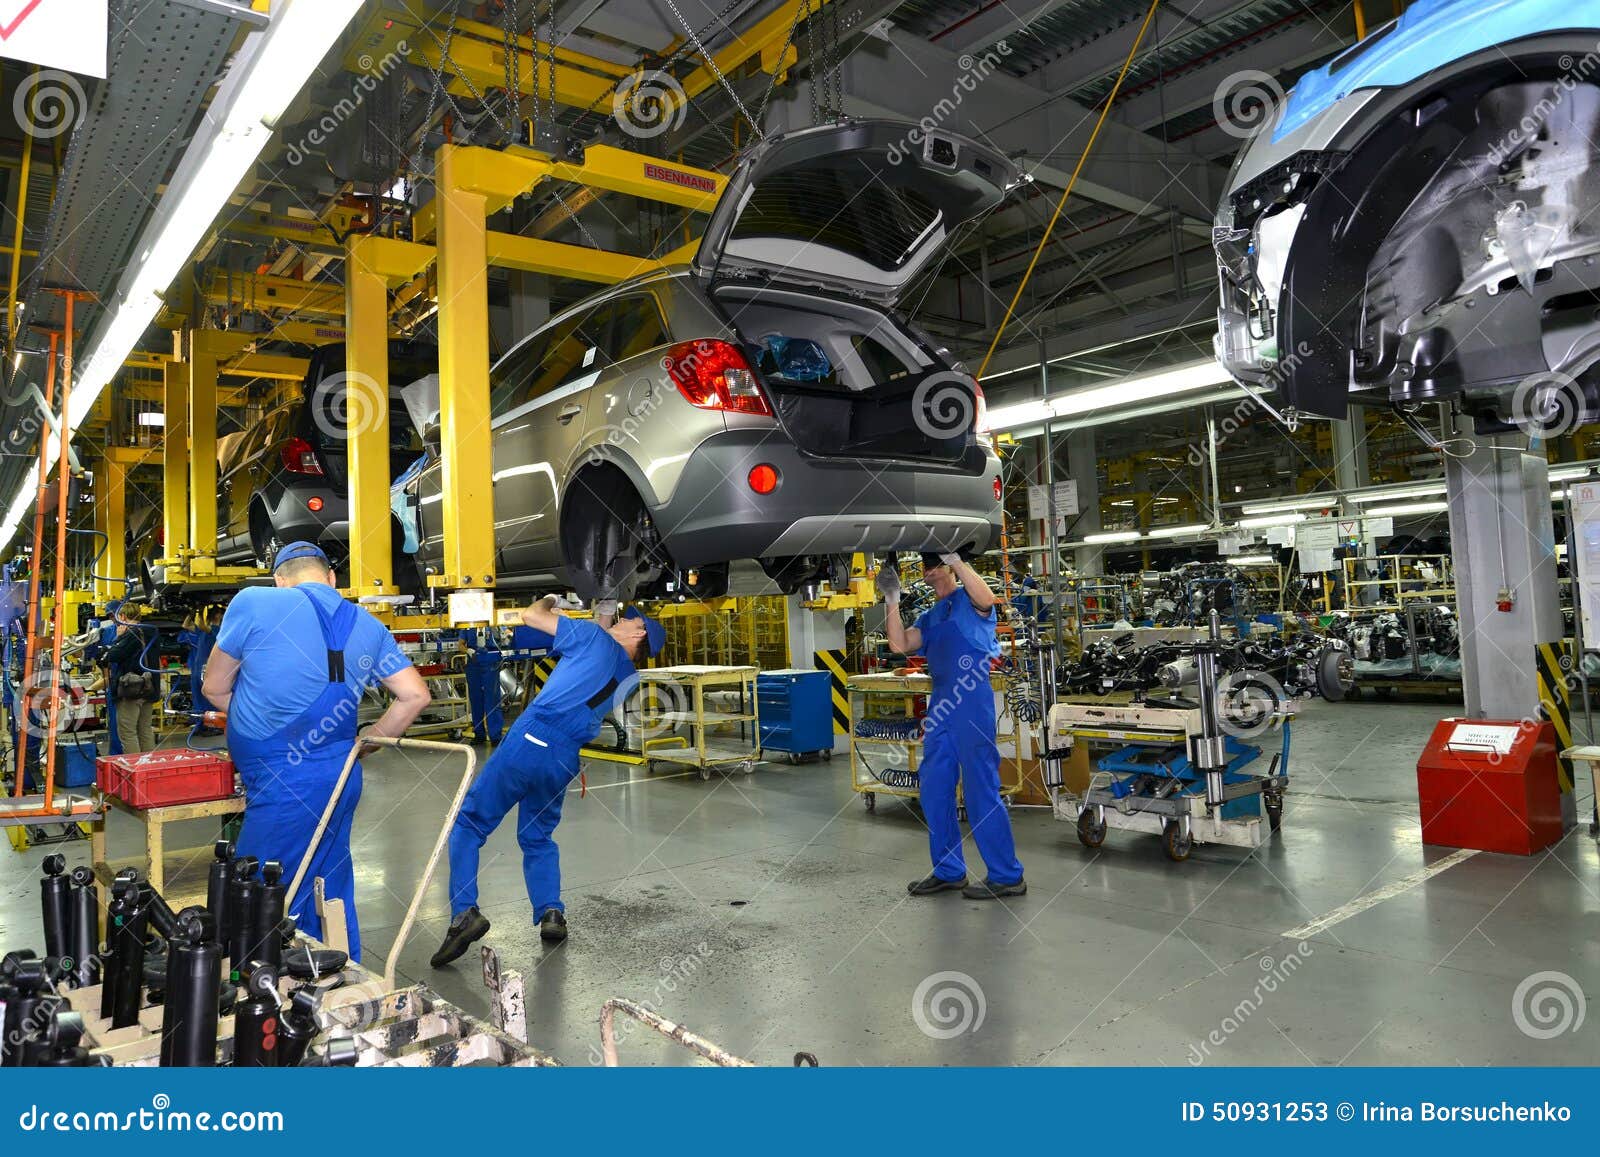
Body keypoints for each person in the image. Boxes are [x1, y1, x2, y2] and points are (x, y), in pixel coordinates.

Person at [201, 541, 432, 962]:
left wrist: (257, 721)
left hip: (281, 782)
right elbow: (415, 696)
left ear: (280, 580)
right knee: (328, 885)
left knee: (255, 895)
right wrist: (367, 743)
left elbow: (213, 687)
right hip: (342, 777)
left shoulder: (253, 602)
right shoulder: (367, 623)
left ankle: (256, 988)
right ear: (331, 578)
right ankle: (337, 979)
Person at [431, 597, 665, 964]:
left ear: (638, 633)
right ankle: (551, 913)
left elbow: (531, 616)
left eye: (628, 620)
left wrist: (551, 601)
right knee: (538, 835)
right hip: (564, 756)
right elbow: (598, 656)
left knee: (469, 825)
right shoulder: (628, 675)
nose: (620, 620)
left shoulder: (591, 638)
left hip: (531, 739)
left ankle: (464, 913)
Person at [879, 552, 1026, 900]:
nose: (928, 569)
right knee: (933, 788)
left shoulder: (969, 600)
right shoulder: (931, 615)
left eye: (934, 562)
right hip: (942, 704)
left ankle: (1007, 875)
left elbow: (988, 599)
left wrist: (956, 560)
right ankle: (949, 870)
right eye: (925, 564)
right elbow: (899, 644)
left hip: (971, 701)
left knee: (980, 788)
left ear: (948, 566)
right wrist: (891, 598)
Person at [102, 602, 159, 755]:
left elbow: (112, 655)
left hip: (131, 690)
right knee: (145, 730)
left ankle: (135, 771)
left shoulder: (130, 634)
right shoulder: (150, 632)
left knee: (128, 733)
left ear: (122, 616)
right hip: (150, 687)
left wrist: (117, 638)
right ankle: (148, 768)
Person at [178, 608, 219, 734]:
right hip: (197, 668)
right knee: (197, 697)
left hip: (207, 668)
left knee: (208, 698)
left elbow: (202, 625)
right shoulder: (203, 631)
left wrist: (199, 611)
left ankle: (213, 725)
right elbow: (185, 625)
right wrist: (191, 612)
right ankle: (200, 723)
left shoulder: (217, 630)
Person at [462, 627, 505, 745]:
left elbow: (506, 636)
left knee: (492, 699)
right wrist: (467, 650)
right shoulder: (466, 623)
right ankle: (479, 734)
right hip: (473, 663)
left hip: (491, 662)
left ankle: (495, 736)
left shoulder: (493, 622)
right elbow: (460, 644)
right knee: (476, 700)